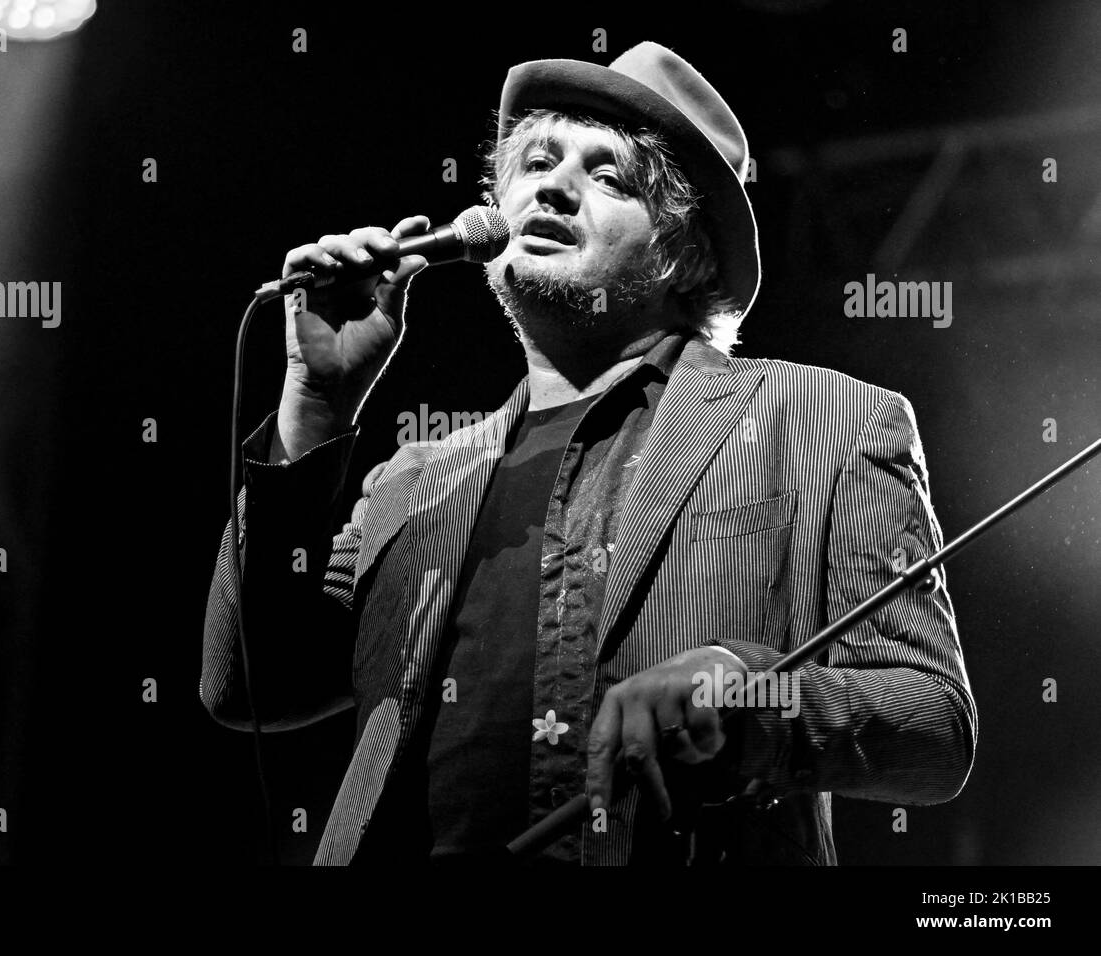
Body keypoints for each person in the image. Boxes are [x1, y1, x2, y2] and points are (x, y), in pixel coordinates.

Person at [200, 41, 977, 866]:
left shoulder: (829, 419)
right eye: (536, 160)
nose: (554, 185)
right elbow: (249, 687)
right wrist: (317, 408)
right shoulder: (410, 481)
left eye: (610, 177)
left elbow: (933, 724)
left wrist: (754, 695)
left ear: (689, 253)